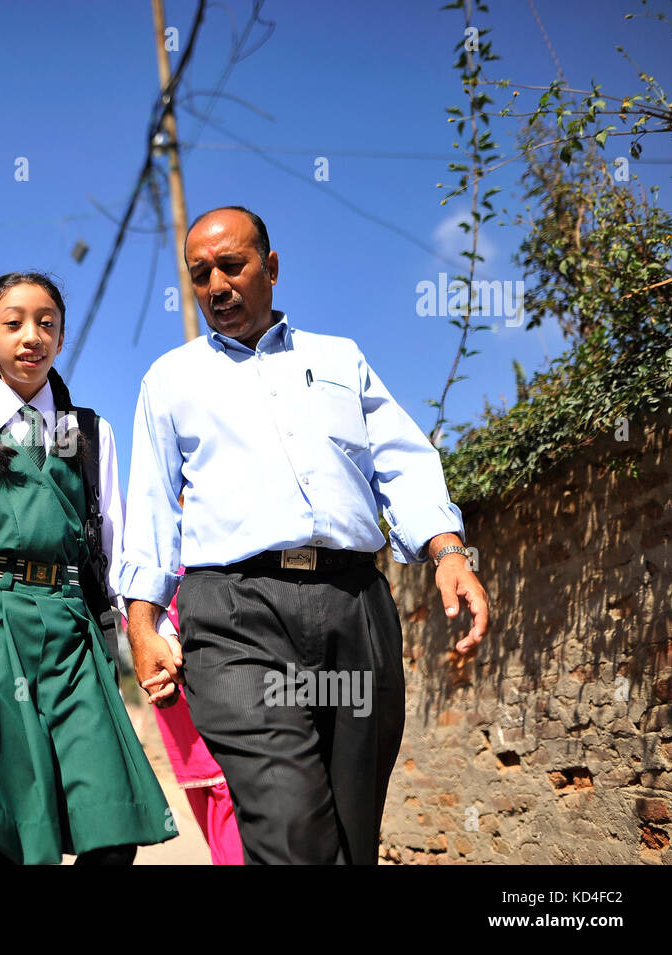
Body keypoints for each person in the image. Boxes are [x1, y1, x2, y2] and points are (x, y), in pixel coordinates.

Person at [120, 206, 490, 865]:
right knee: (290, 826)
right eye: (199, 274)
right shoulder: (170, 380)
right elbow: (150, 505)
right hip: (235, 615)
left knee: (351, 835)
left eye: (231, 265)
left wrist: (448, 551)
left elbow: (401, 459)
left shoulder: (340, 360)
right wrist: (143, 622)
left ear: (272, 267)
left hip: (354, 602)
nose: (216, 285)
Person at [0, 272, 178, 865]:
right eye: (13, 322)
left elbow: (118, 544)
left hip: (73, 629)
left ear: (61, 339)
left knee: (113, 819)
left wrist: (152, 632)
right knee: (7, 825)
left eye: (47, 323)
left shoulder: (91, 433)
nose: (32, 336)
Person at [152, 564, 244, 865]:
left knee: (227, 794)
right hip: (181, 690)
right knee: (219, 794)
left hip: (218, 686)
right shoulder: (155, 549)